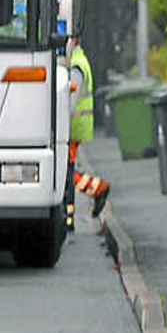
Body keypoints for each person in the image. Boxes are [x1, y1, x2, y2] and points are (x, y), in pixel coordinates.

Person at [65, 37, 109, 229]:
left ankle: (98, 189)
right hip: (77, 125)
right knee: (68, 171)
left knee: (67, 173)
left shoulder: (76, 65)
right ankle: (69, 219)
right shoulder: (79, 61)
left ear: (73, 41)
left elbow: (70, 101)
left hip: (73, 126)